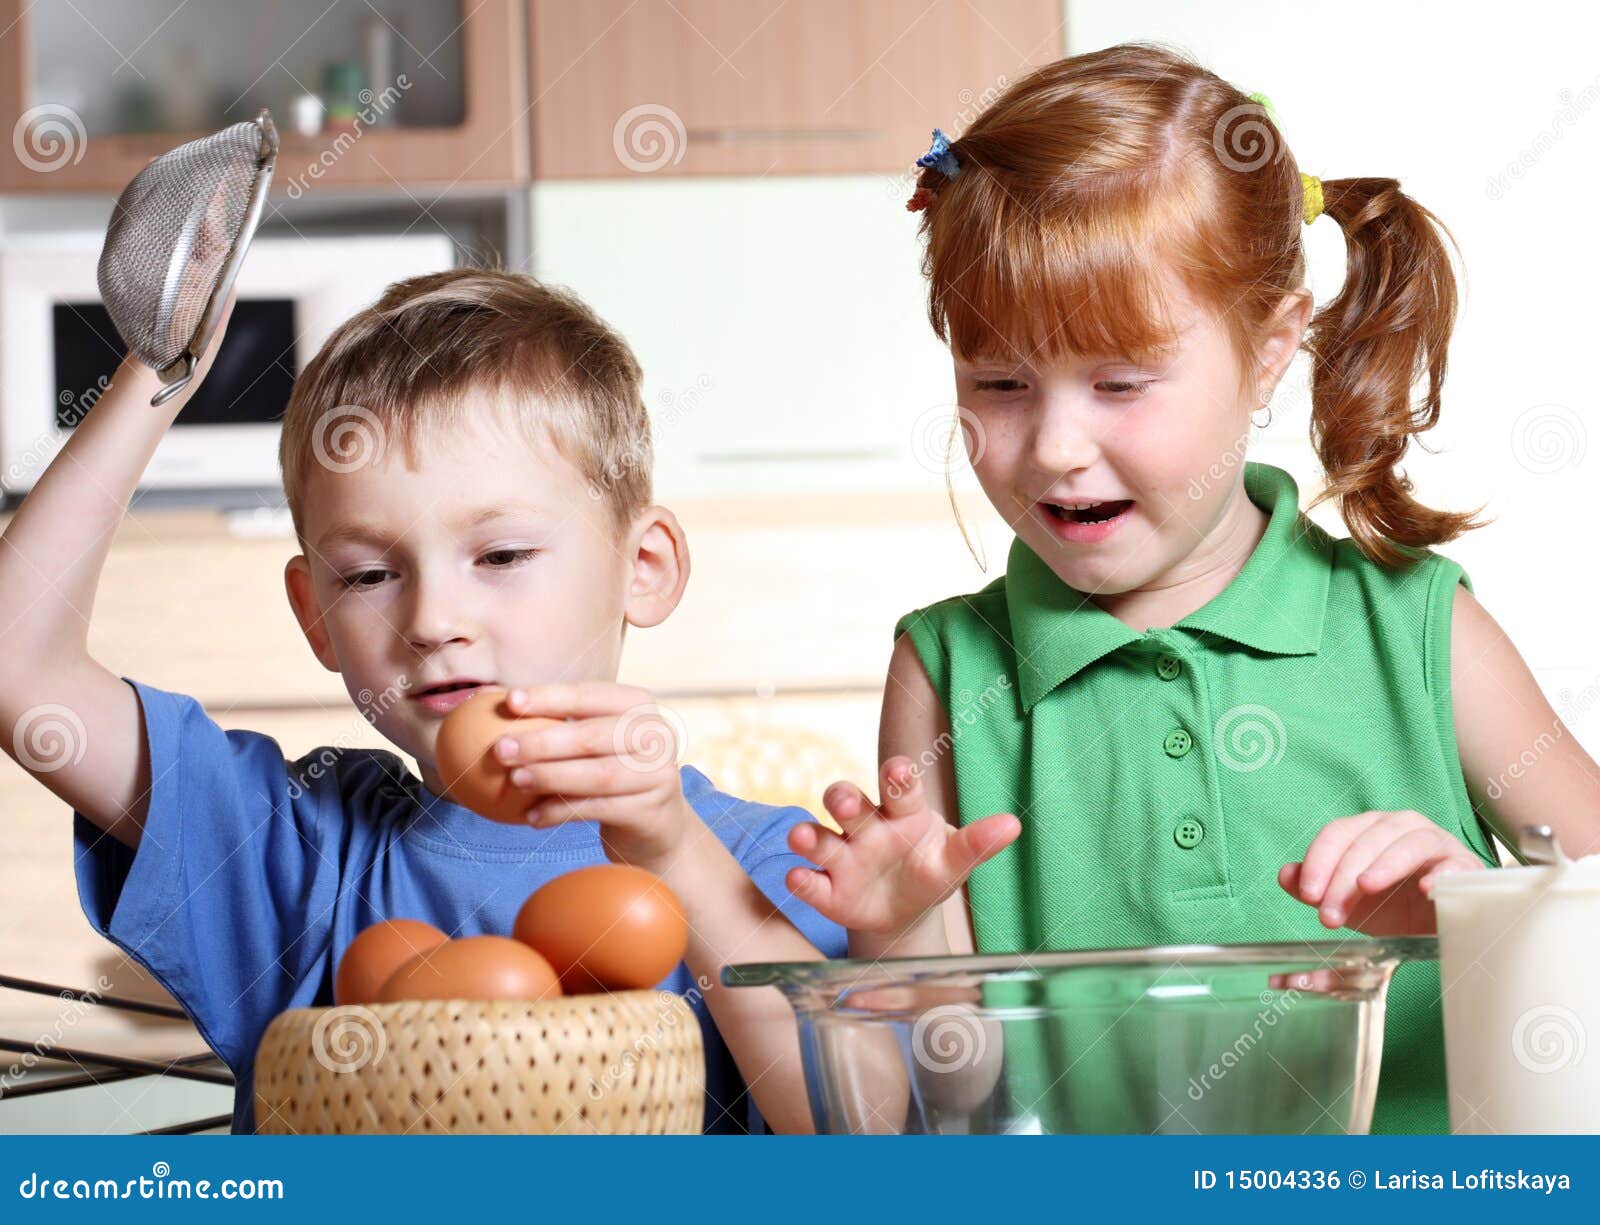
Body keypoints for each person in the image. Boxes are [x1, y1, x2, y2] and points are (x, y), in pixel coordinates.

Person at [784, 43, 1600, 1133]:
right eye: (999, 383)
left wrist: (1480, 911)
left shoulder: (1418, 628)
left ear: (1269, 351)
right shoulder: (946, 672)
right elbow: (959, 1090)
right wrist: (898, 935)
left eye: (1119, 382)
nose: (1056, 449)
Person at [0, 268, 842, 1134]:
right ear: (314, 616)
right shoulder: (295, 852)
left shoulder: (767, 873)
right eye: (368, 575)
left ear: (645, 567)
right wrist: (155, 370)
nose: (433, 620)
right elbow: (19, 668)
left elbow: (863, 1146)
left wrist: (671, 852)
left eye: (502, 555)